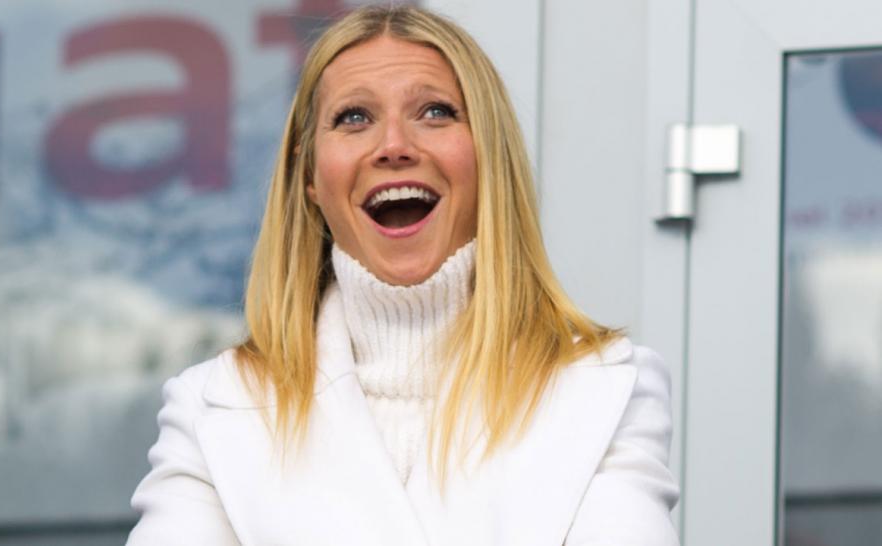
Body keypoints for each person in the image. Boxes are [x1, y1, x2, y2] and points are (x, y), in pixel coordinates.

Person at [127, 5, 679, 545]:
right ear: (309, 175)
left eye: (435, 112)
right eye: (354, 117)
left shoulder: (608, 387)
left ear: (489, 156)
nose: (393, 147)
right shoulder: (210, 407)